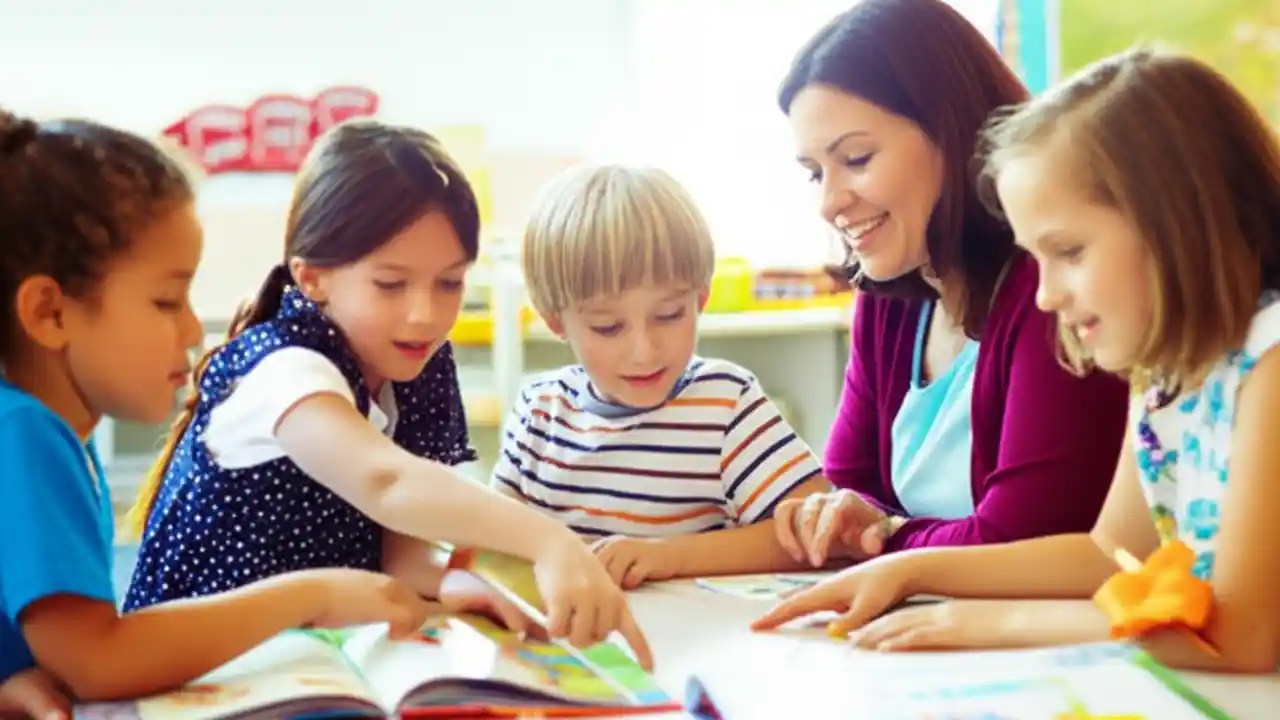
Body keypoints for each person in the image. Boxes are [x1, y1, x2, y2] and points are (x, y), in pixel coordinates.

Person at [755, 48, 1280, 673]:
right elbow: (1109, 553)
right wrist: (906, 569)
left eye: (1069, 251)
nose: (1044, 294)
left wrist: (996, 621)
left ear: (1178, 224)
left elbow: (1237, 634)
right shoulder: (1166, 372)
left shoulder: (1269, 363)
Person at [123, 120, 650, 667]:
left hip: (315, 659)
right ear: (312, 280)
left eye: (449, 282)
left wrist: (450, 580)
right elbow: (385, 480)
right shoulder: (285, 367)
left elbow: (402, 547)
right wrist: (551, 541)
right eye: (391, 284)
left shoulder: (415, 365)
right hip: (193, 673)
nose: (424, 314)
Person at [0, 110, 432, 700]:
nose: (189, 332)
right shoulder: (25, 437)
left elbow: (64, 649)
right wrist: (315, 594)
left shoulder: (43, 433)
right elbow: (97, 657)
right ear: (50, 314)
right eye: (165, 301)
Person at [768, 0, 1128, 567]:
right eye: (816, 173)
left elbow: (1021, 536)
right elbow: (843, 497)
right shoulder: (887, 302)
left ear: (952, 130)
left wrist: (883, 534)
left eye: (856, 159)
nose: (829, 202)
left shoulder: (1052, 291)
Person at [492, 164, 828, 588]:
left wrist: (666, 557)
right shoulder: (539, 410)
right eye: (608, 327)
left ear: (700, 299)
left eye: (669, 315)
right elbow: (493, 541)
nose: (644, 351)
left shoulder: (725, 403)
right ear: (557, 323)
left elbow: (812, 534)